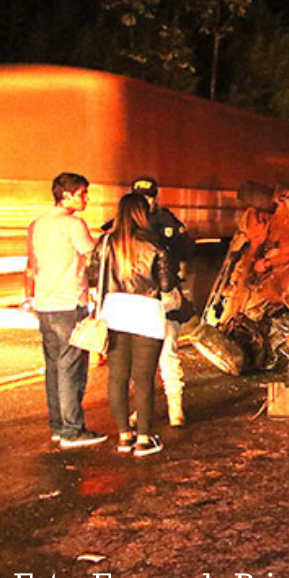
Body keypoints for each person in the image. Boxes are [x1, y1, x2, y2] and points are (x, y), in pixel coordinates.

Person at [24, 173, 109, 448]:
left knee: (54, 369)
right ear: (67, 195)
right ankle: (73, 430)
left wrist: (31, 298)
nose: (86, 198)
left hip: (46, 306)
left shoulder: (37, 224)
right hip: (70, 304)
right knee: (72, 369)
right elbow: (95, 256)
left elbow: (32, 264)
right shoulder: (73, 224)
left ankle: (58, 426)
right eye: (83, 193)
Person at [89, 192, 175, 456]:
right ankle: (143, 439)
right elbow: (166, 284)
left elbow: (93, 276)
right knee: (143, 379)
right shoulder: (155, 243)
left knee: (117, 377)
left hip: (114, 311)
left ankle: (124, 436)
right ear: (142, 213)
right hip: (146, 312)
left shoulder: (105, 243)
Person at [129, 177, 195, 425]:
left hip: (162, 296)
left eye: (149, 196)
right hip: (143, 298)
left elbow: (188, 250)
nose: (146, 202)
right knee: (142, 360)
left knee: (167, 354)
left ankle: (175, 408)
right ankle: (143, 409)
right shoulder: (130, 227)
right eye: (142, 197)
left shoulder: (165, 221)